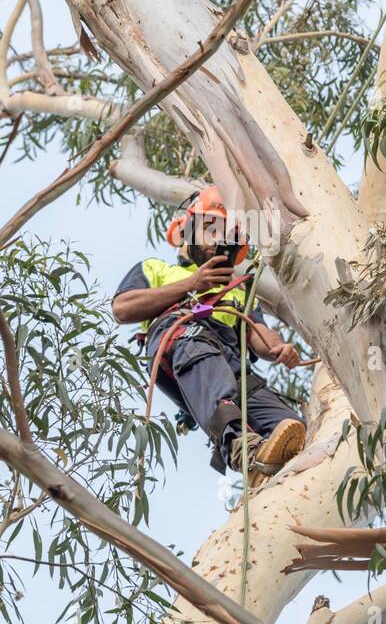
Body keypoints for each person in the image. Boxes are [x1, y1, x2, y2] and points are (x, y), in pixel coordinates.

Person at [111, 187, 306, 485]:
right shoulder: (156, 269)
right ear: (188, 230)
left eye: (224, 234)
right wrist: (192, 284)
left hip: (232, 364)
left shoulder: (239, 290)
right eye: (210, 228)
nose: (217, 239)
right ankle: (241, 448)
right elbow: (123, 308)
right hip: (183, 340)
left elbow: (258, 335)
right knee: (202, 352)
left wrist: (279, 349)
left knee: (292, 425)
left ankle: (285, 470)